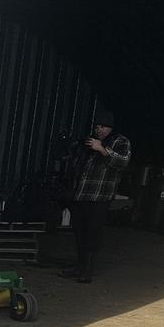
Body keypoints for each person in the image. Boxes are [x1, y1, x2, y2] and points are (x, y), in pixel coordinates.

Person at [62, 112, 131, 283]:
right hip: (81, 195)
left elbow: (122, 162)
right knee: (79, 232)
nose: (99, 129)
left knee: (93, 233)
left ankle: (87, 271)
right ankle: (79, 265)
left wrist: (102, 149)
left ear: (111, 128)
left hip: (99, 196)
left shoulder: (120, 142)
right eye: (97, 126)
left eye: (103, 127)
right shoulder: (90, 141)